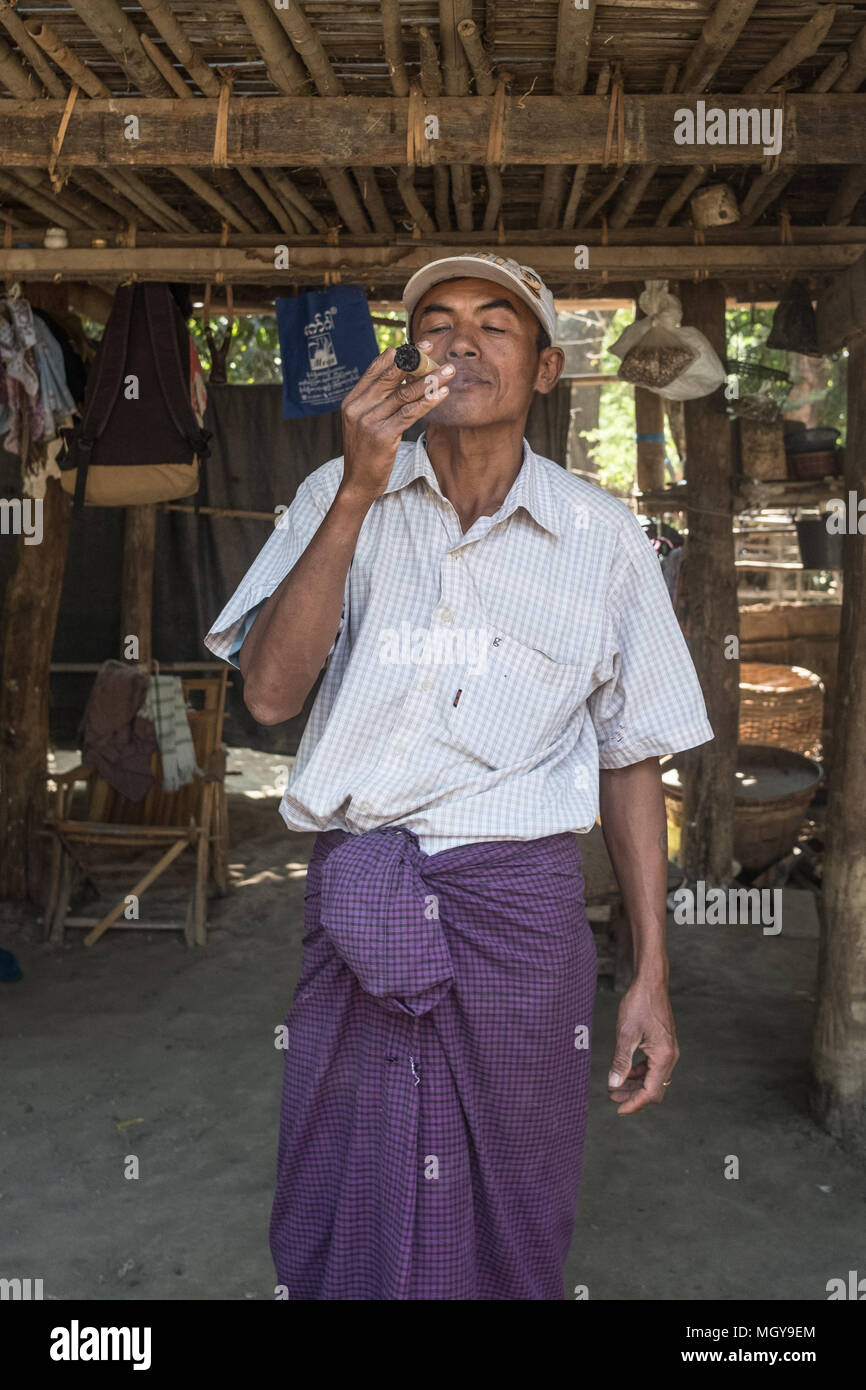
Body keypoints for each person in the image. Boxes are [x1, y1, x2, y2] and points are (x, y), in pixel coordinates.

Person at [204, 252, 714, 1300]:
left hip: (520, 913)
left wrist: (649, 978)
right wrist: (355, 488)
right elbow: (267, 695)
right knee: (342, 1176)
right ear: (405, 360)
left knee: (513, 1189)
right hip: (364, 903)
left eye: (495, 324)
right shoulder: (332, 493)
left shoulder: (604, 540)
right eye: (435, 323)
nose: (461, 342)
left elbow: (630, 762)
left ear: (543, 372)